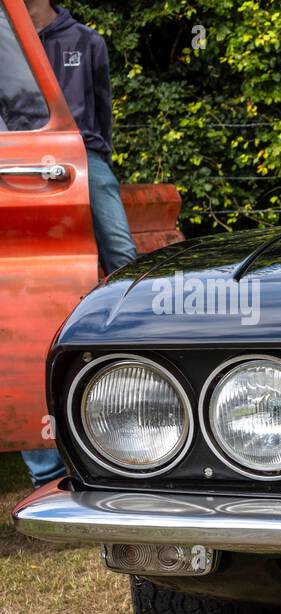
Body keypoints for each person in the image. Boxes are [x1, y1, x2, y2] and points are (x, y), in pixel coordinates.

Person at [21, 1, 138, 486]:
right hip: (24, 162)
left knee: (124, 257)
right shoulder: (11, 45)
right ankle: (44, 470)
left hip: (80, 157)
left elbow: (102, 108)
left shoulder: (86, 41)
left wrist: (94, 157)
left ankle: (133, 346)